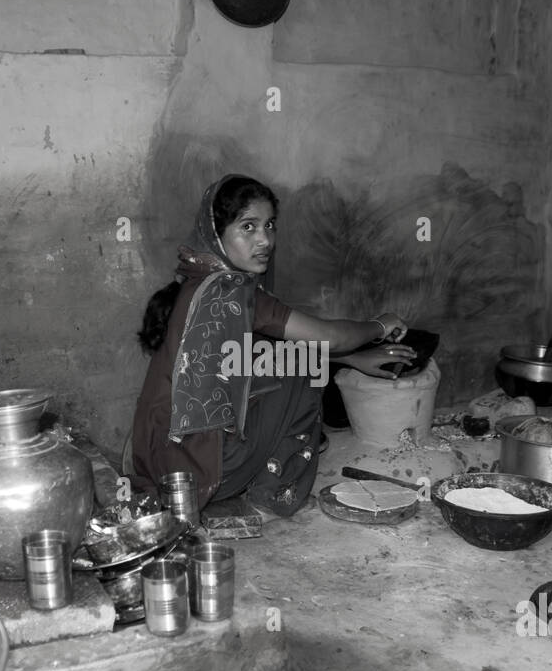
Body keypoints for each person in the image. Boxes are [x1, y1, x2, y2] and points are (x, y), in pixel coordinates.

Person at [129, 174, 416, 516]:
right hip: (204, 474)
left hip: (160, 463)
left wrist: (353, 359)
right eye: (247, 227)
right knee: (303, 378)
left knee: (280, 357)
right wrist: (380, 325)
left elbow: (269, 352)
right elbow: (329, 337)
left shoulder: (196, 279)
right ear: (217, 233)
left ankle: (257, 470)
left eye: (269, 225)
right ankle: (271, 487)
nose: (264, 240)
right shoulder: (234, 291)